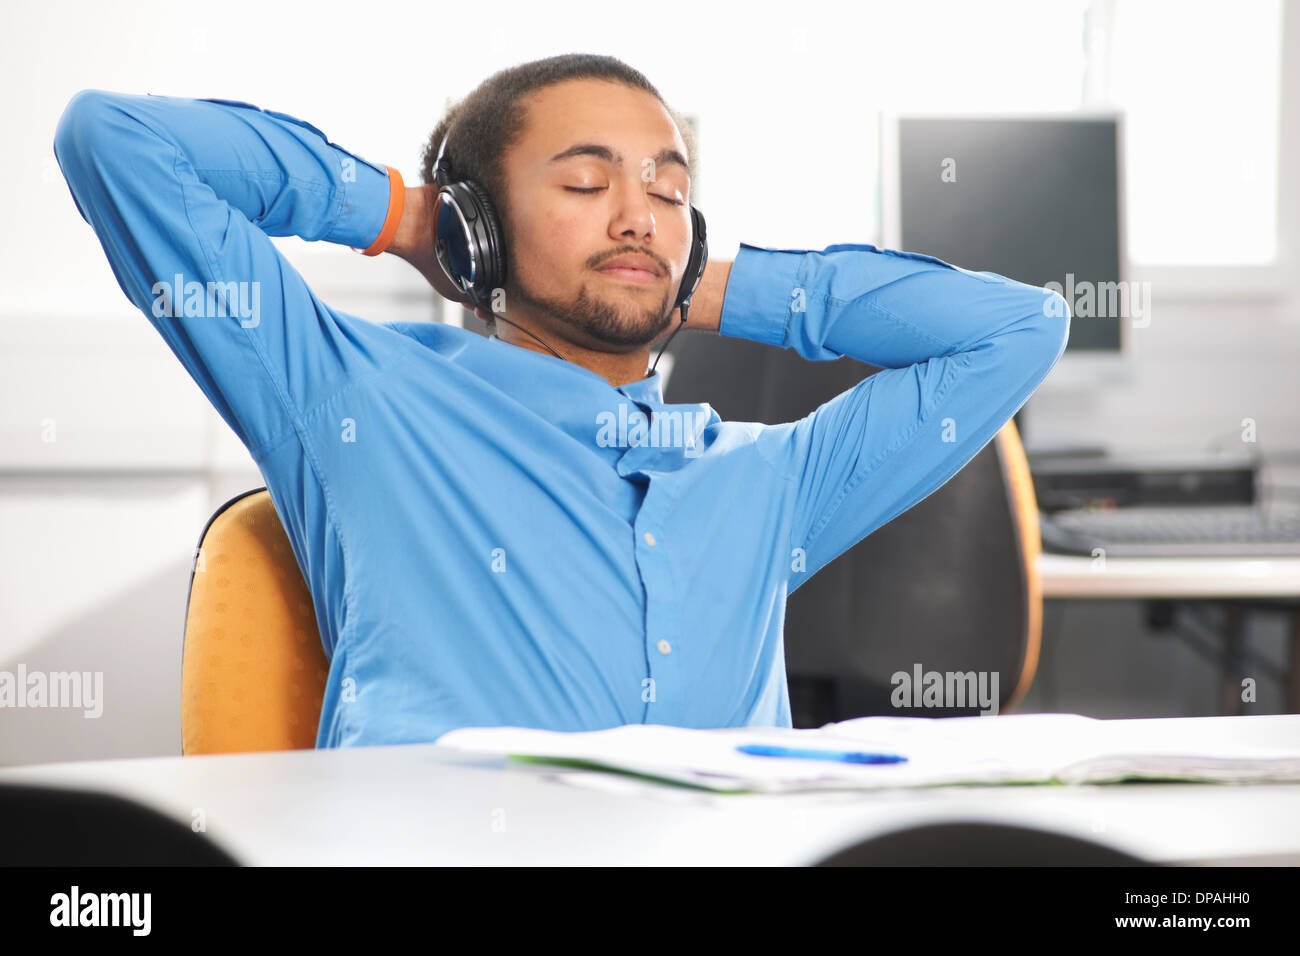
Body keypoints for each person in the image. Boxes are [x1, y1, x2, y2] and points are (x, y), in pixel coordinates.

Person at [52, 54, 1069, 748]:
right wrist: (410, 218)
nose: (637, 217)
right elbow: (115, 141)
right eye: (585, 185)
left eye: (668, 193)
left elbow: (1018, 327)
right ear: (480, 229)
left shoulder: (769, 476)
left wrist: (708, 281)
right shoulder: (356, 401)